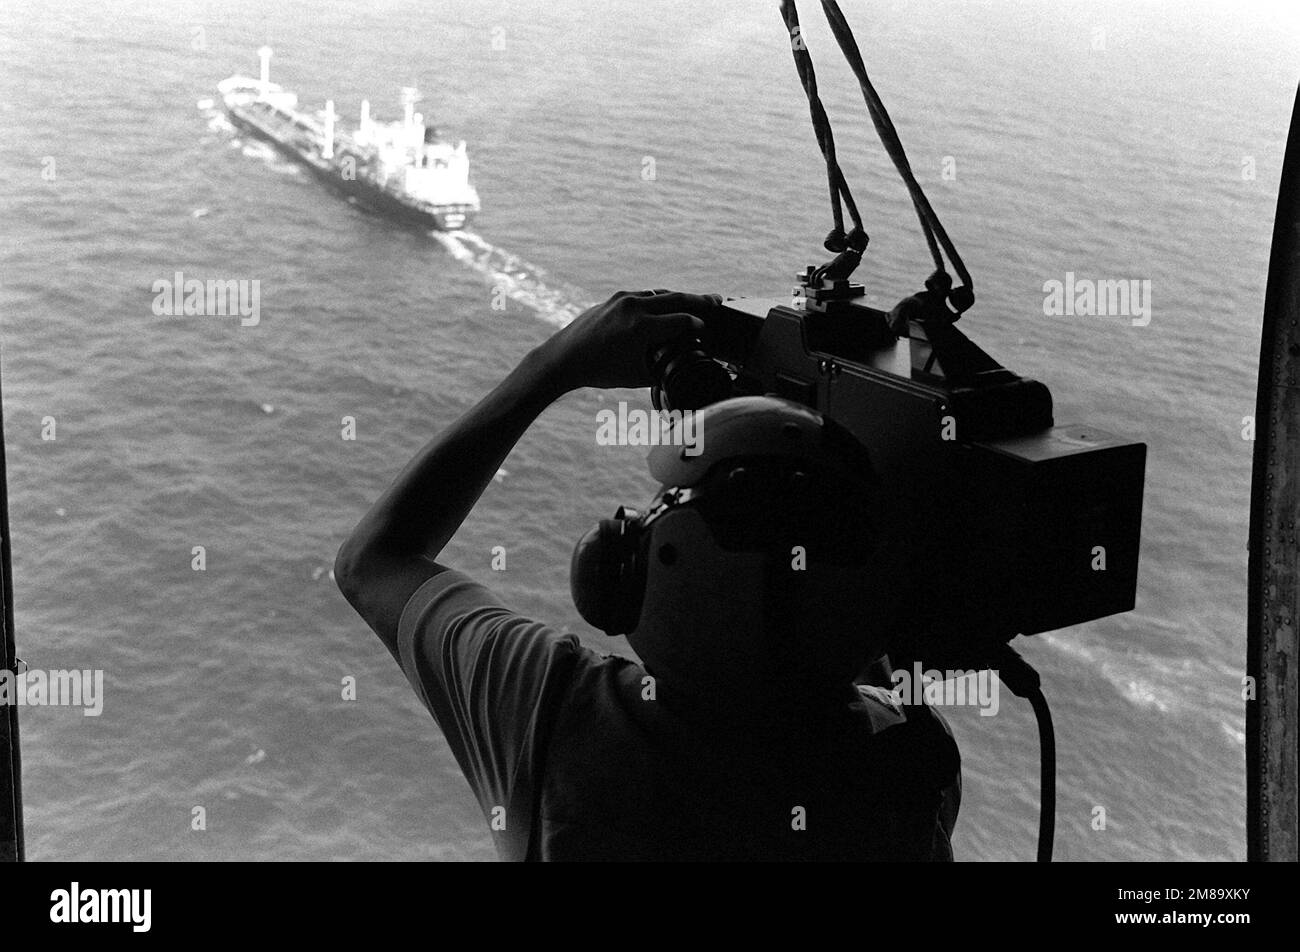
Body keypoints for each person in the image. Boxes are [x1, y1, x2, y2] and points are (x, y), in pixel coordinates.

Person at [335, 289, 960, 860]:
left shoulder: (551, 715)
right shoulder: (910, 769)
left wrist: (553, 365)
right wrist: (809, 474)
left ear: (626, 572)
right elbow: (850, 637)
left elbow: (371, 561)